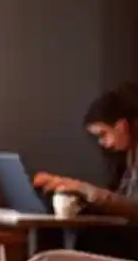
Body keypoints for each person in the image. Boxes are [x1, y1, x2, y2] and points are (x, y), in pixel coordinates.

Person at [32, 82, 138, 221]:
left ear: (121, 126)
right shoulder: (130, 156)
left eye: (103, 134)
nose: (101, 142)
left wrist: (85, 191)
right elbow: (121, 203)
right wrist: (67, 185)